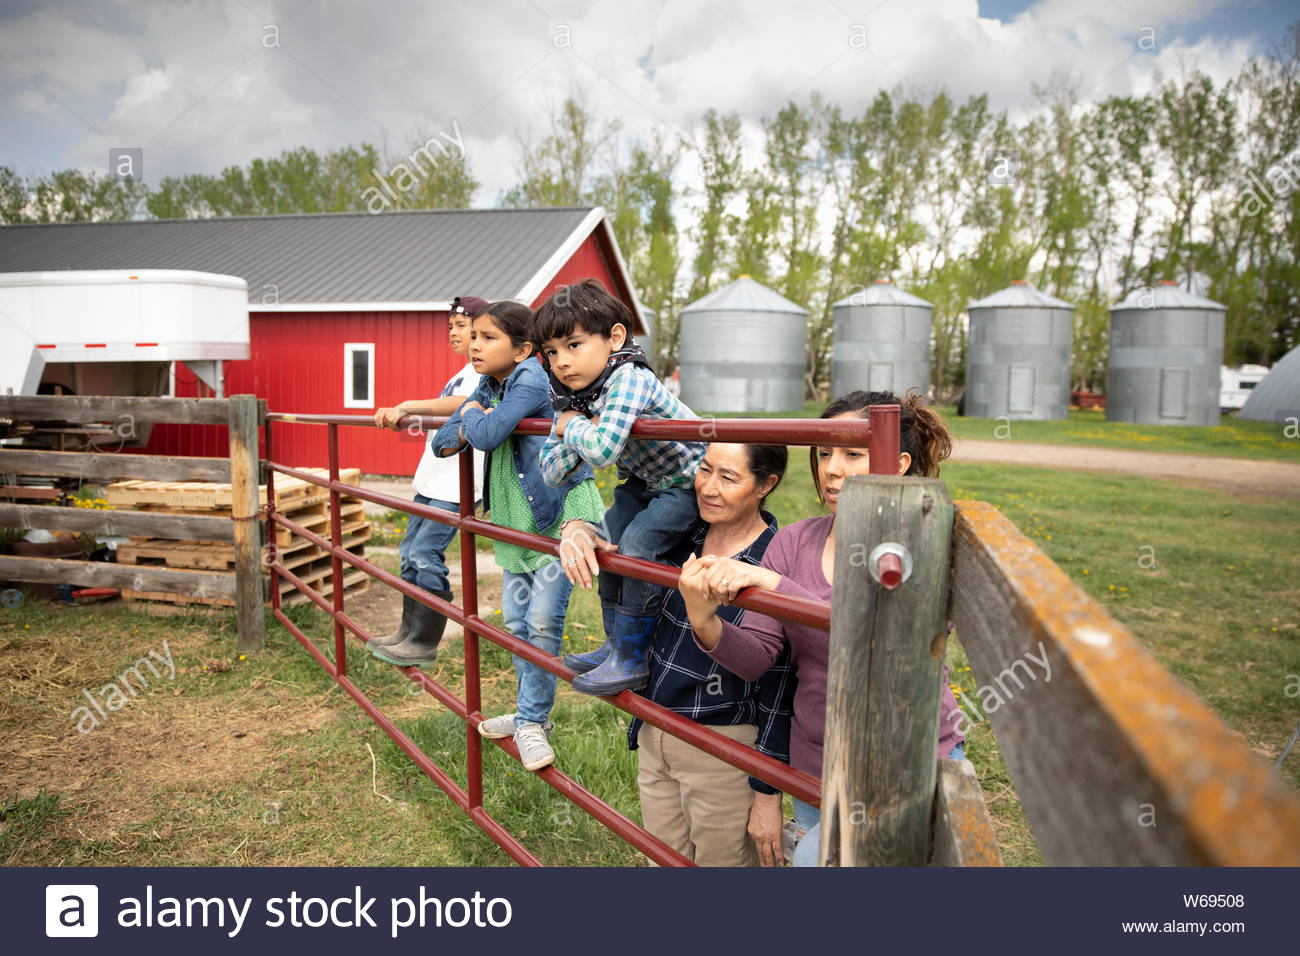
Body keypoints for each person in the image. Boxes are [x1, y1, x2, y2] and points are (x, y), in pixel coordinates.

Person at [678, 390, 967, 867]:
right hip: (817, 762)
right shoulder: (794, 541)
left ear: (896, 463)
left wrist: (776, 585)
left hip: (902, 760)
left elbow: (886, 650)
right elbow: (756, 658)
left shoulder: (922, 536)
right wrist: (702, 617)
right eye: (825, 452)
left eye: (852, 453)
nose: (832, 468)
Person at [561, 442, 796, 866]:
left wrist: (767, 792)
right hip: (654, 727)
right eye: (704, 470)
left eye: (728, 477)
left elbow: (779, 687)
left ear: (767, 484)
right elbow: (611, 531)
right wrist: (577, 528)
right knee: (662, 861)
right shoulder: (676, 535)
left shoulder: (774, 562)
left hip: (722, 746)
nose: (708, 487)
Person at [430, 301, 603, 771]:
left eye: (487, 337)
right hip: (516, 518)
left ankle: (532, 720)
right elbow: (442, 442)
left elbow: (484, 436)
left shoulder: (528, 378)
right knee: (516, 624)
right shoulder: (489, 385)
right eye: (474, 336)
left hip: (557, 510)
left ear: (523, 348)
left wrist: (472, 415)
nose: (473, 344)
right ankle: (531, 716)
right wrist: (474, 413)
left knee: (543, 622)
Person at [534, 279, 705, 697]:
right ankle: (614, 645)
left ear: (614, 338)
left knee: (637, 542)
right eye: (552, 352)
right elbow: (550, 470)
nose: (561, 361)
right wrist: (581, 430)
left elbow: (604, 450)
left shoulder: (629, 376)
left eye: (573, 345)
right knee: (605, 542)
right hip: (643, 482)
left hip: (685, 481)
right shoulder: (577, 393)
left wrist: (573, 427)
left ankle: (632, 656)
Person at [368, 295, 486, 665]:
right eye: (451, 327)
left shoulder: (484, 372)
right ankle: (407, 630)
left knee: (425, 553)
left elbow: (463, 405)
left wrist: (407, 406)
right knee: (408, 552)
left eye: (461, 327)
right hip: (433, 479)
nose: (453, 333)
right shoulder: (459, 372)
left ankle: (424, 640)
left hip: (456, 483)